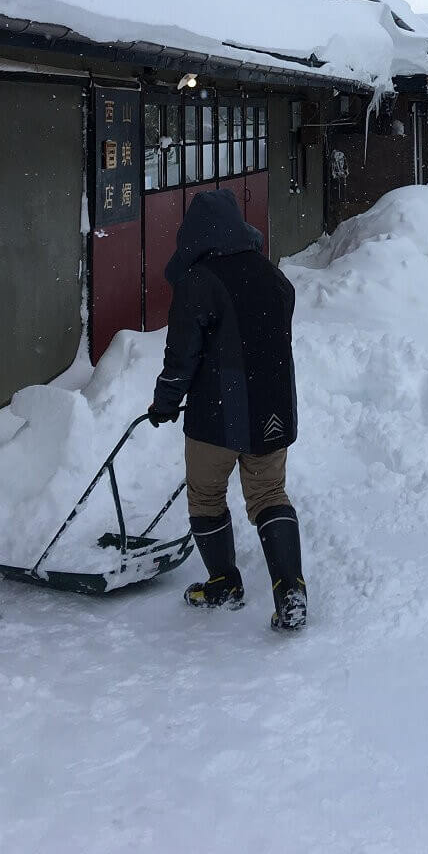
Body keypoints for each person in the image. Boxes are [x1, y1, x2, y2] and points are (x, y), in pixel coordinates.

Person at [147, 188, 306, 630]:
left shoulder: (198, 281)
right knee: (270, 495)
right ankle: (289, 588)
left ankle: (223, 582)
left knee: (206, 496)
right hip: (273, 411)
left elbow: (181, 357)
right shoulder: (273, 277)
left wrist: (164, 404)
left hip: (218, 418)